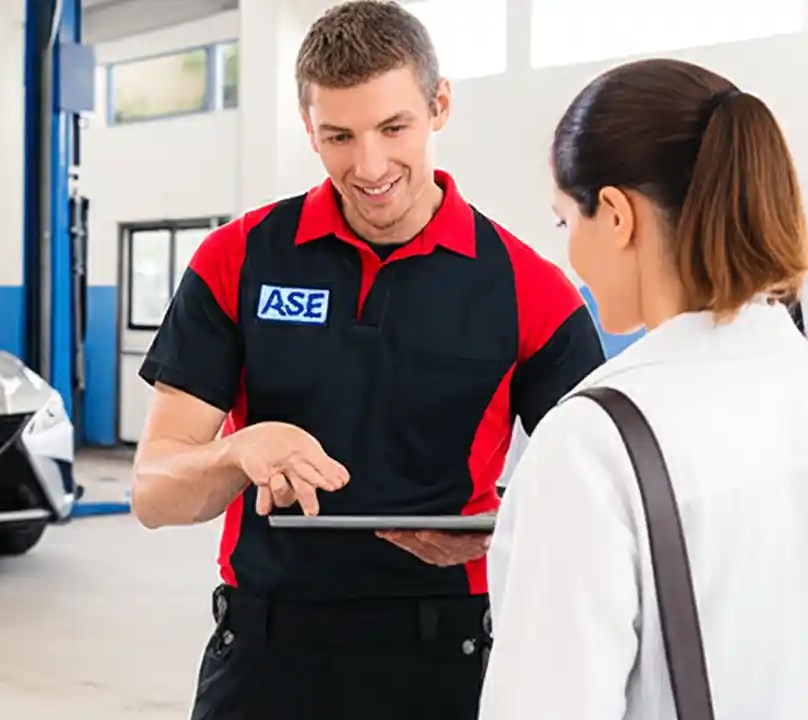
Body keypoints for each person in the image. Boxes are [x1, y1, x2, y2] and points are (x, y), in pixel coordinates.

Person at [129, 2, 605, 718]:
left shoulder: (530, 289)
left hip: (441, 658)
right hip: (264, 652)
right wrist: (238, 453)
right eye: (339, 137)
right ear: (308, 128)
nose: (370, 166)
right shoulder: (238, 260)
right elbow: (155, 493)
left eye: (393, 128)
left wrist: (496, 527)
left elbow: (601, 507)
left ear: (438, 105)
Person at [479, 58, 808, 719]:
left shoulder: (593, 439)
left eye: (565, 224)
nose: (569, 258)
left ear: (616, 214)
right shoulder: (791, 376)